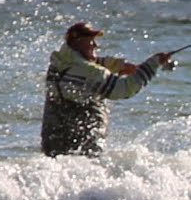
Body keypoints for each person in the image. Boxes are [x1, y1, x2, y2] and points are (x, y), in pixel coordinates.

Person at [41, 22, 172, 157]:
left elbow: (85, 64)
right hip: (83, 143)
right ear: (78, 42)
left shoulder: (58, 61)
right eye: (91, 41)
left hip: (51, 140)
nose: (96, 45)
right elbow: (125, 89)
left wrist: (118, 65)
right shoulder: (91, 73)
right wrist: (153, 64)